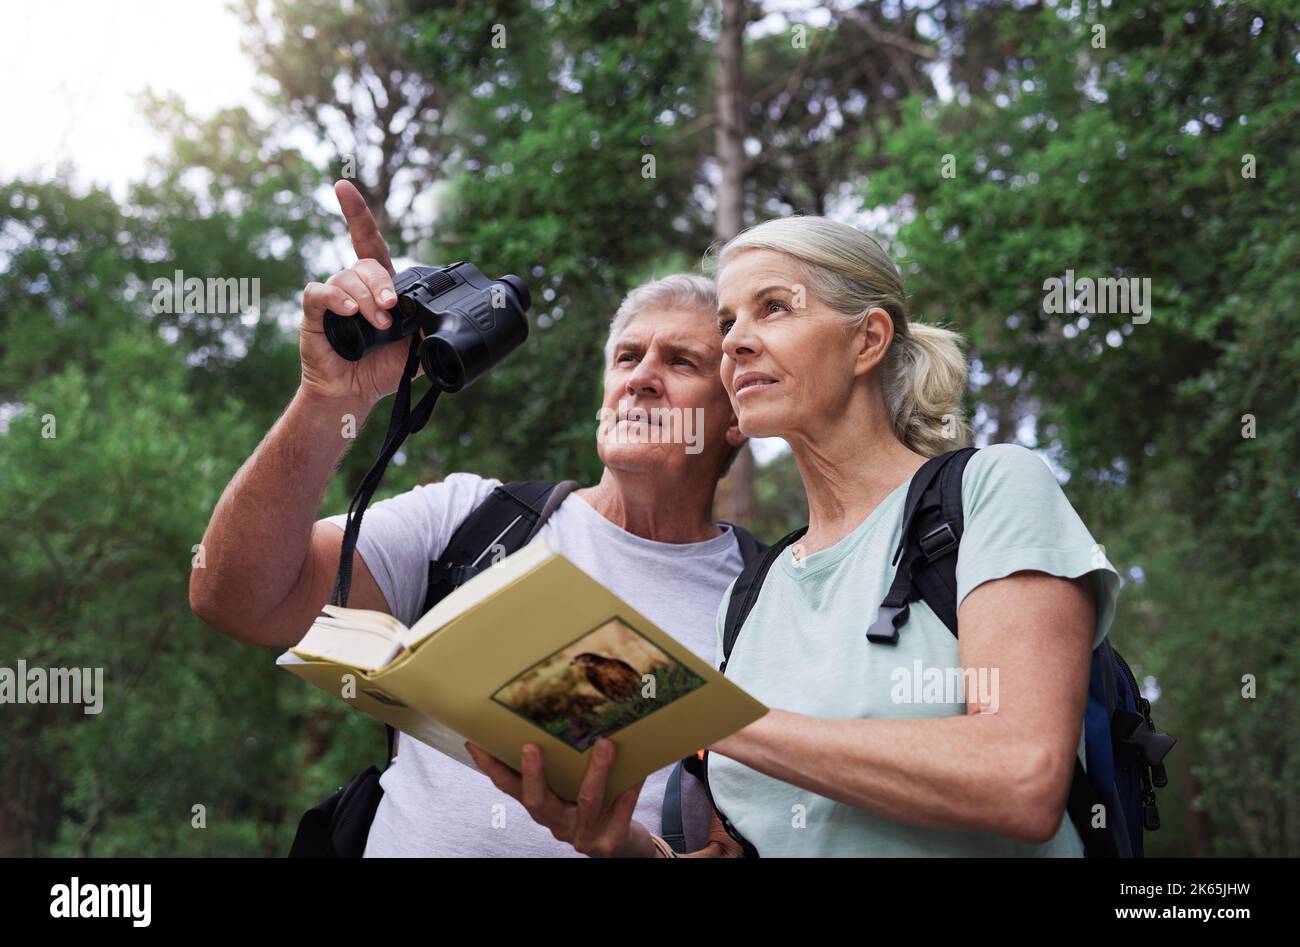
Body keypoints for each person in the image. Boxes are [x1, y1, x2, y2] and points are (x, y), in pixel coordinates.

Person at [470, 215, 1121, 857]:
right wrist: (632, 848)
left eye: (774, 308)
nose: (735, 343)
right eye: (728, 324)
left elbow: (1022, 777)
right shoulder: (750, 597)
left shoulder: (990, 492)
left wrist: (701, 713)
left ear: (867, 341)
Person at [189, 181, 751, 857]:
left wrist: (633, 848)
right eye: (627, 357)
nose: (641, 377)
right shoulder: (474, 518)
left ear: (737, 418)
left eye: (681, 361)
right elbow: (237, 600)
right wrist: (327, 396)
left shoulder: (769, 600)